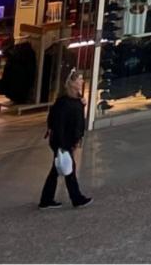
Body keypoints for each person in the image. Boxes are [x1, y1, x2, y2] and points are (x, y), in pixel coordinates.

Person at [40, 71, 94, 209]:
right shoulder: (64, 102)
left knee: (57, 169)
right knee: (68, 168)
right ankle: (76, 198)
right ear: (73, 83)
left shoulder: (75, 99)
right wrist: (64, 144)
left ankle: (47, 199)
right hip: (63, 141)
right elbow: (60, 124)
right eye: (80, 80)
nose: (82, 82)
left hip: (66, 140)